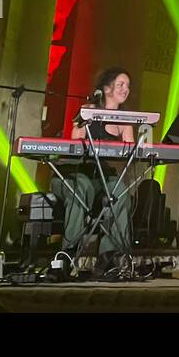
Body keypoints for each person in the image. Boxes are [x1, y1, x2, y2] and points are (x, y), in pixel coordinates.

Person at [55, 67, 136, 265]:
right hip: (74, 174)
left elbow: (131, 151)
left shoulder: (125, 119)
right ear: (107, 89)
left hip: (102, 177)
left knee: (119, 190)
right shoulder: (88, 111)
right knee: (81, 186)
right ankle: (69, 253)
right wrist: (83, 123)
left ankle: (109, 255)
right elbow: (73, 146)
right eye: (120, 84)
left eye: (128, 86)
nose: (125, 89)